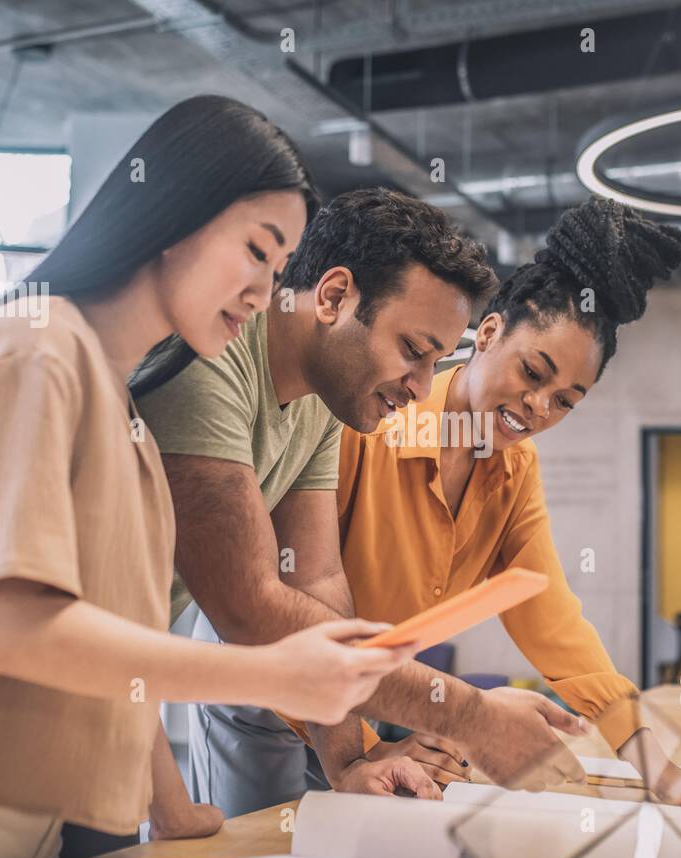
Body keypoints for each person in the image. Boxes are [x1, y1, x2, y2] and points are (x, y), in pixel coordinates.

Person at [0, 96, 415, 858]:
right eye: (257, 251)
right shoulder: (36, 349)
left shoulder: (115, 405)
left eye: (280, 269)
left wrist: (173, 811)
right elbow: (10, 627)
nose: (263, 294)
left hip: (16, 827)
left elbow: (120, 649)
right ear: (177, 214)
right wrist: (270, 672)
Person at [132, 187, 594, 819]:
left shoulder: (327, 404)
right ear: (332, 297)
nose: (422, 386)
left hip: (109, 695)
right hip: (23, 696)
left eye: (435, 360)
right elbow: (248, 605)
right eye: (413, 351)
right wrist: (470, 715)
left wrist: (349, 759)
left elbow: (318, 578)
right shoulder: (210, 363)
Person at [330, 197, 681, 814]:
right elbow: (308, 608)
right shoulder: (375, 424)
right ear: (487, 334)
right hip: (280, 706)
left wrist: (666, 774)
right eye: (533, 372)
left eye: (566, 400)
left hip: (374, 713)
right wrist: (357, 751)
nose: (540, 407)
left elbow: (555, 624)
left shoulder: (513, 469)